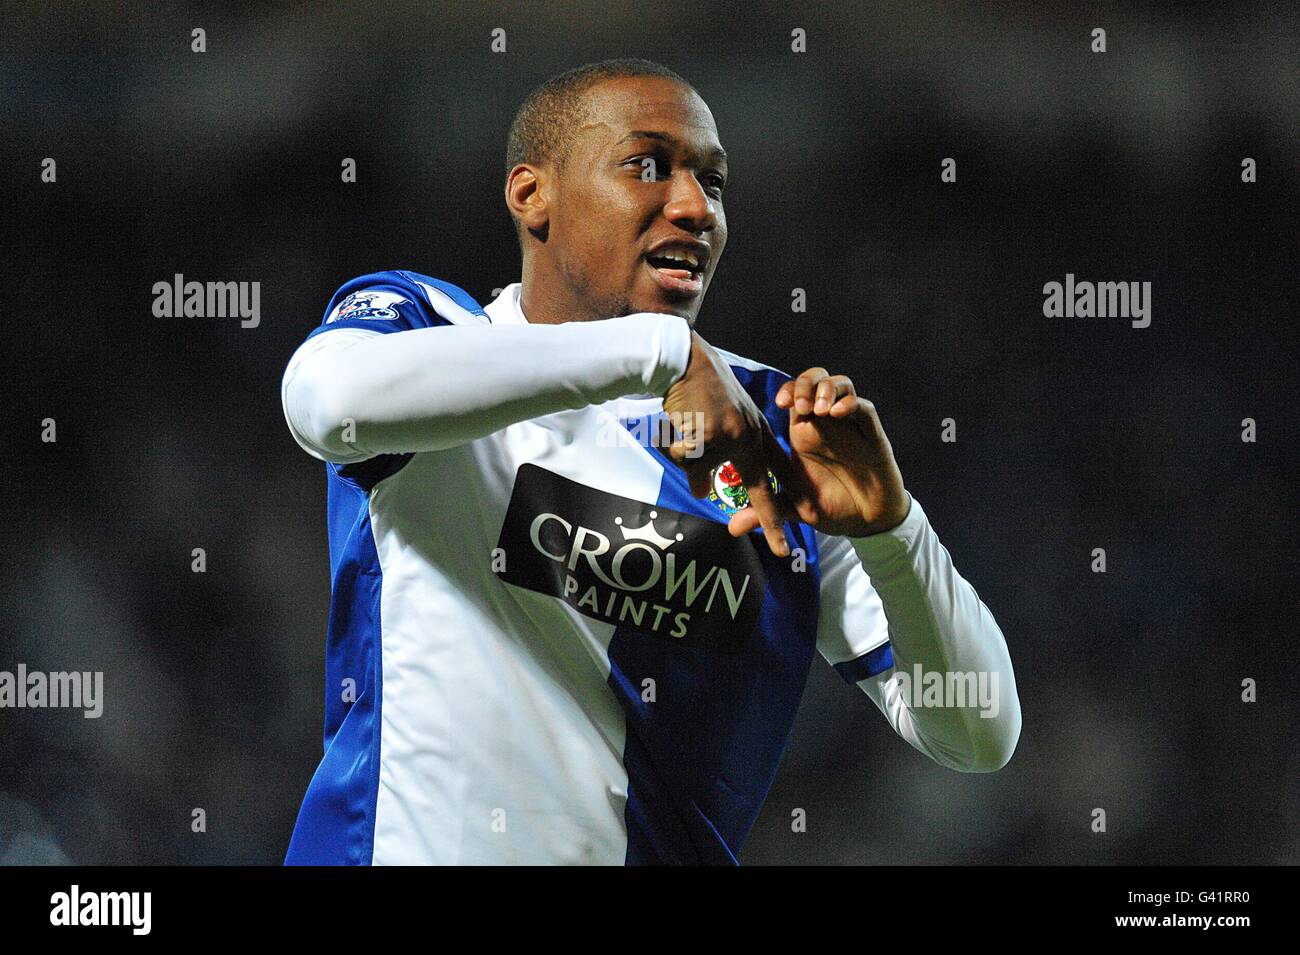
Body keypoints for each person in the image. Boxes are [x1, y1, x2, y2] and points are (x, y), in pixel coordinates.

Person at [279, 58, 1020, 865]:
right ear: (534, 195)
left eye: (714, 180)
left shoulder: (775, 440)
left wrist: (890, 531)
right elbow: (327, 402)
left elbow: (979, 732)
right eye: (647, 165)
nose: (696, 206)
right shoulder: (432, 332)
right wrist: (664, 353)